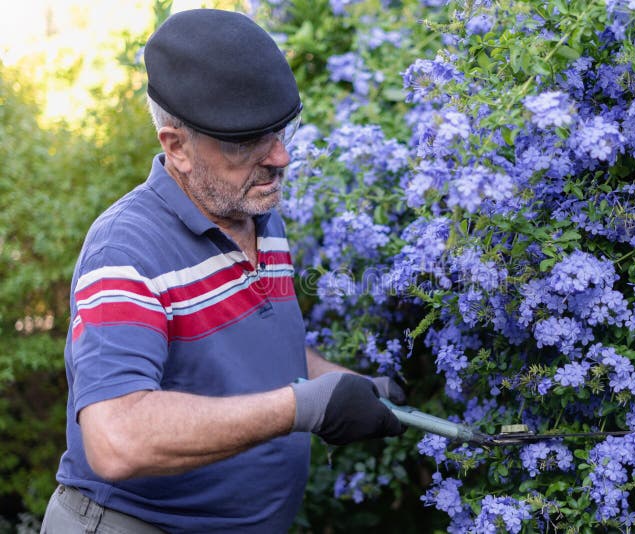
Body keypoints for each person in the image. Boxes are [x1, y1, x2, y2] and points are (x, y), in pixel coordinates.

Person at [41, 8, 405, 534]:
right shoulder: (126, 251)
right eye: (244, 140)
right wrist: (302, 408)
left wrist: (349, 387)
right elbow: (116, 439)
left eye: (284, 129)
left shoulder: (256, 213)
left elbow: (256, 352)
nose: (279, 156)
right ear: (177, 148)